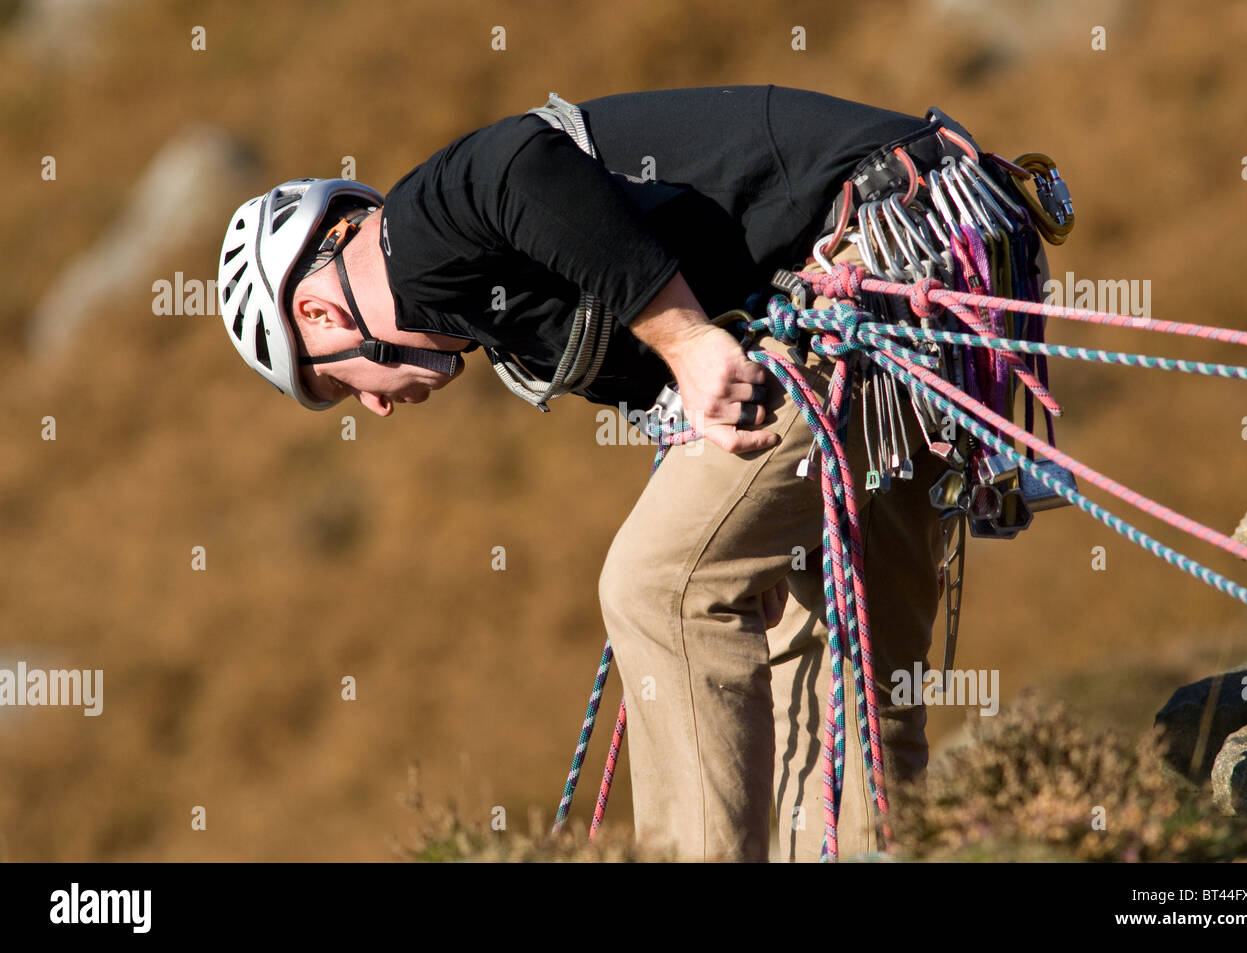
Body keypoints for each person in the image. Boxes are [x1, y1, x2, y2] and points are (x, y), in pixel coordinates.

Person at [217, 85, 952, 862]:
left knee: (660, 587)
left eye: (337, 383)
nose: (375, 405)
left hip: (868, 268)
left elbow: (517, 167)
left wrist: (689, 340)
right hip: (917, 269)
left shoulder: (413, 237)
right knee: (836, 666)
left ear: (319, 316)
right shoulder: (501, 321)